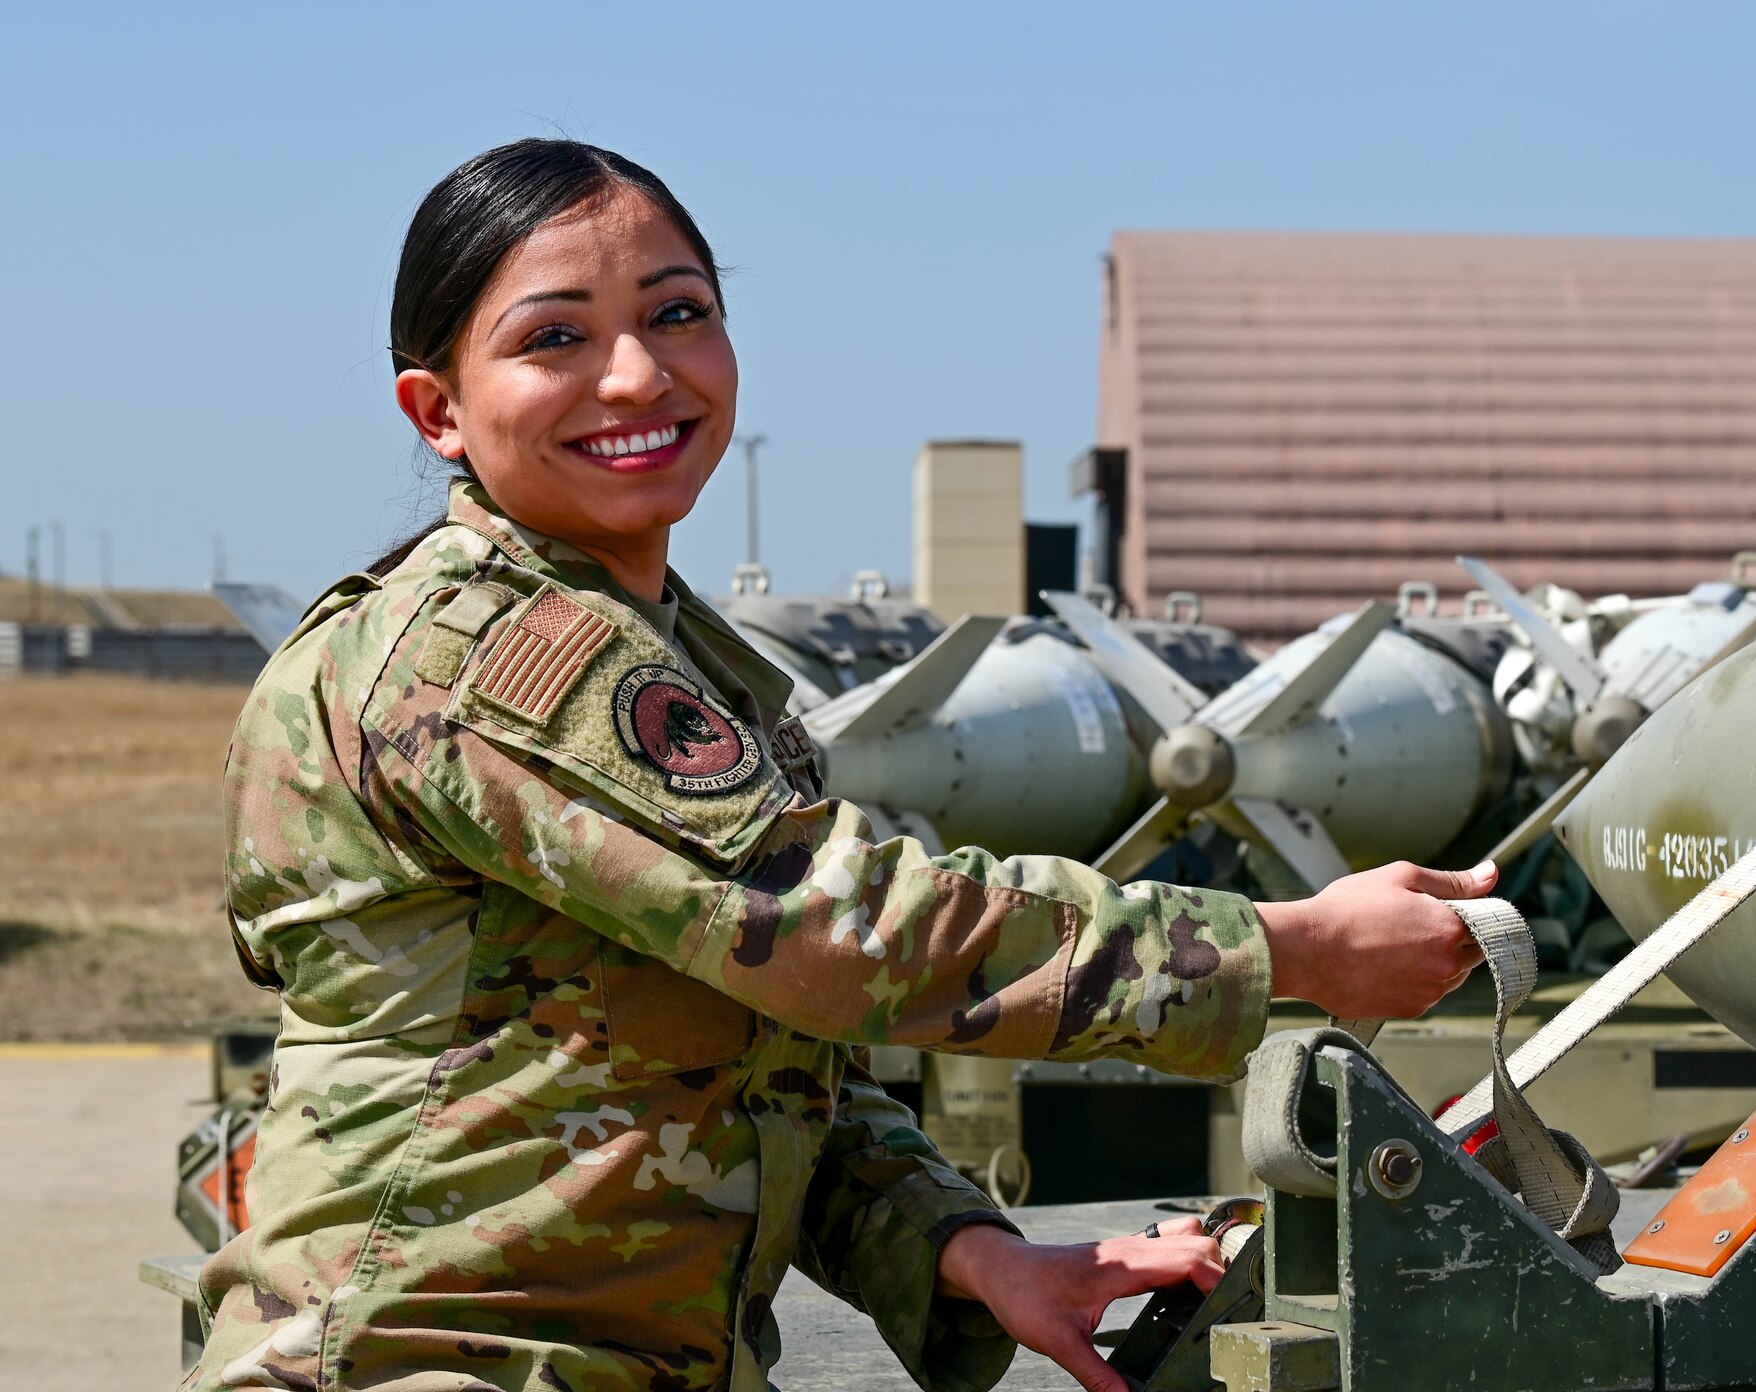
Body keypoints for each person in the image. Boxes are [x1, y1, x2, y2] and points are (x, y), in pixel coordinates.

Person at [191, 138, 1495, 1392]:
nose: (637, 376)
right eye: (554, 340)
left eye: (678, 313)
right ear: (438, 411)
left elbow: (755, 1055)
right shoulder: (493, 661)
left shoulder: (674, 660)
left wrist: (967, 1252)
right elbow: (843, 937)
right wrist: (1292, 950)